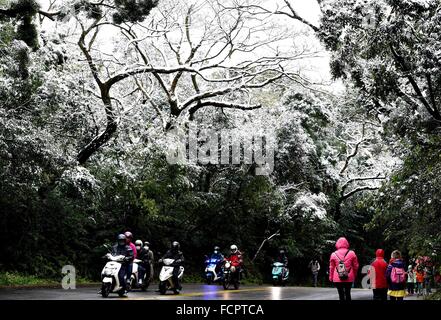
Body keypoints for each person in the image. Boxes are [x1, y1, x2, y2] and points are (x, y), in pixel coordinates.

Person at [328, 237, 359, 301]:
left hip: (337, 277)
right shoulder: (352, 253)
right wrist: (355, 274)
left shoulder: (333, 254)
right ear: (346, 244)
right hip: (349, 277)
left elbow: (331, 267)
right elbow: (356, 266)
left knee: (341, 294)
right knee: (348, 293)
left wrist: (330, 277)